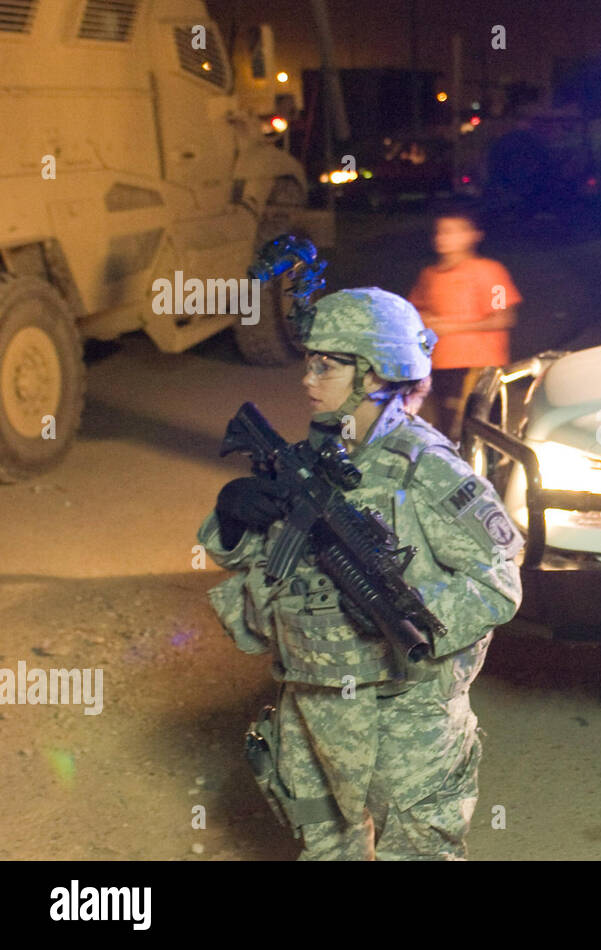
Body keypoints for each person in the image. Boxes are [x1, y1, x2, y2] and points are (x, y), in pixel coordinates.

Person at [196, 287, 523, 860]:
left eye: (326, 364)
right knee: (323, 847)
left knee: (417, 850)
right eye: (309, 361)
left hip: (403, 710)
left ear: (374, 374)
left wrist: (402, 610)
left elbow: (498, 581)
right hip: (311, 697)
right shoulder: (316, 456)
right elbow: (250, 559)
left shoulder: (425, 468)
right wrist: (232, 515)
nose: (307, 377)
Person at [406, 207, 522, 441]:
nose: (442, 238)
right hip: (440, 367)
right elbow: (415, 310)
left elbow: (503, 316)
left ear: (473, 235)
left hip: (478, 368)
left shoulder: (490, 273)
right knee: (448, 431)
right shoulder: (430, 276)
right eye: (439, 232)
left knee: (477, 434)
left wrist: (450, 327)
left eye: (451, 232)